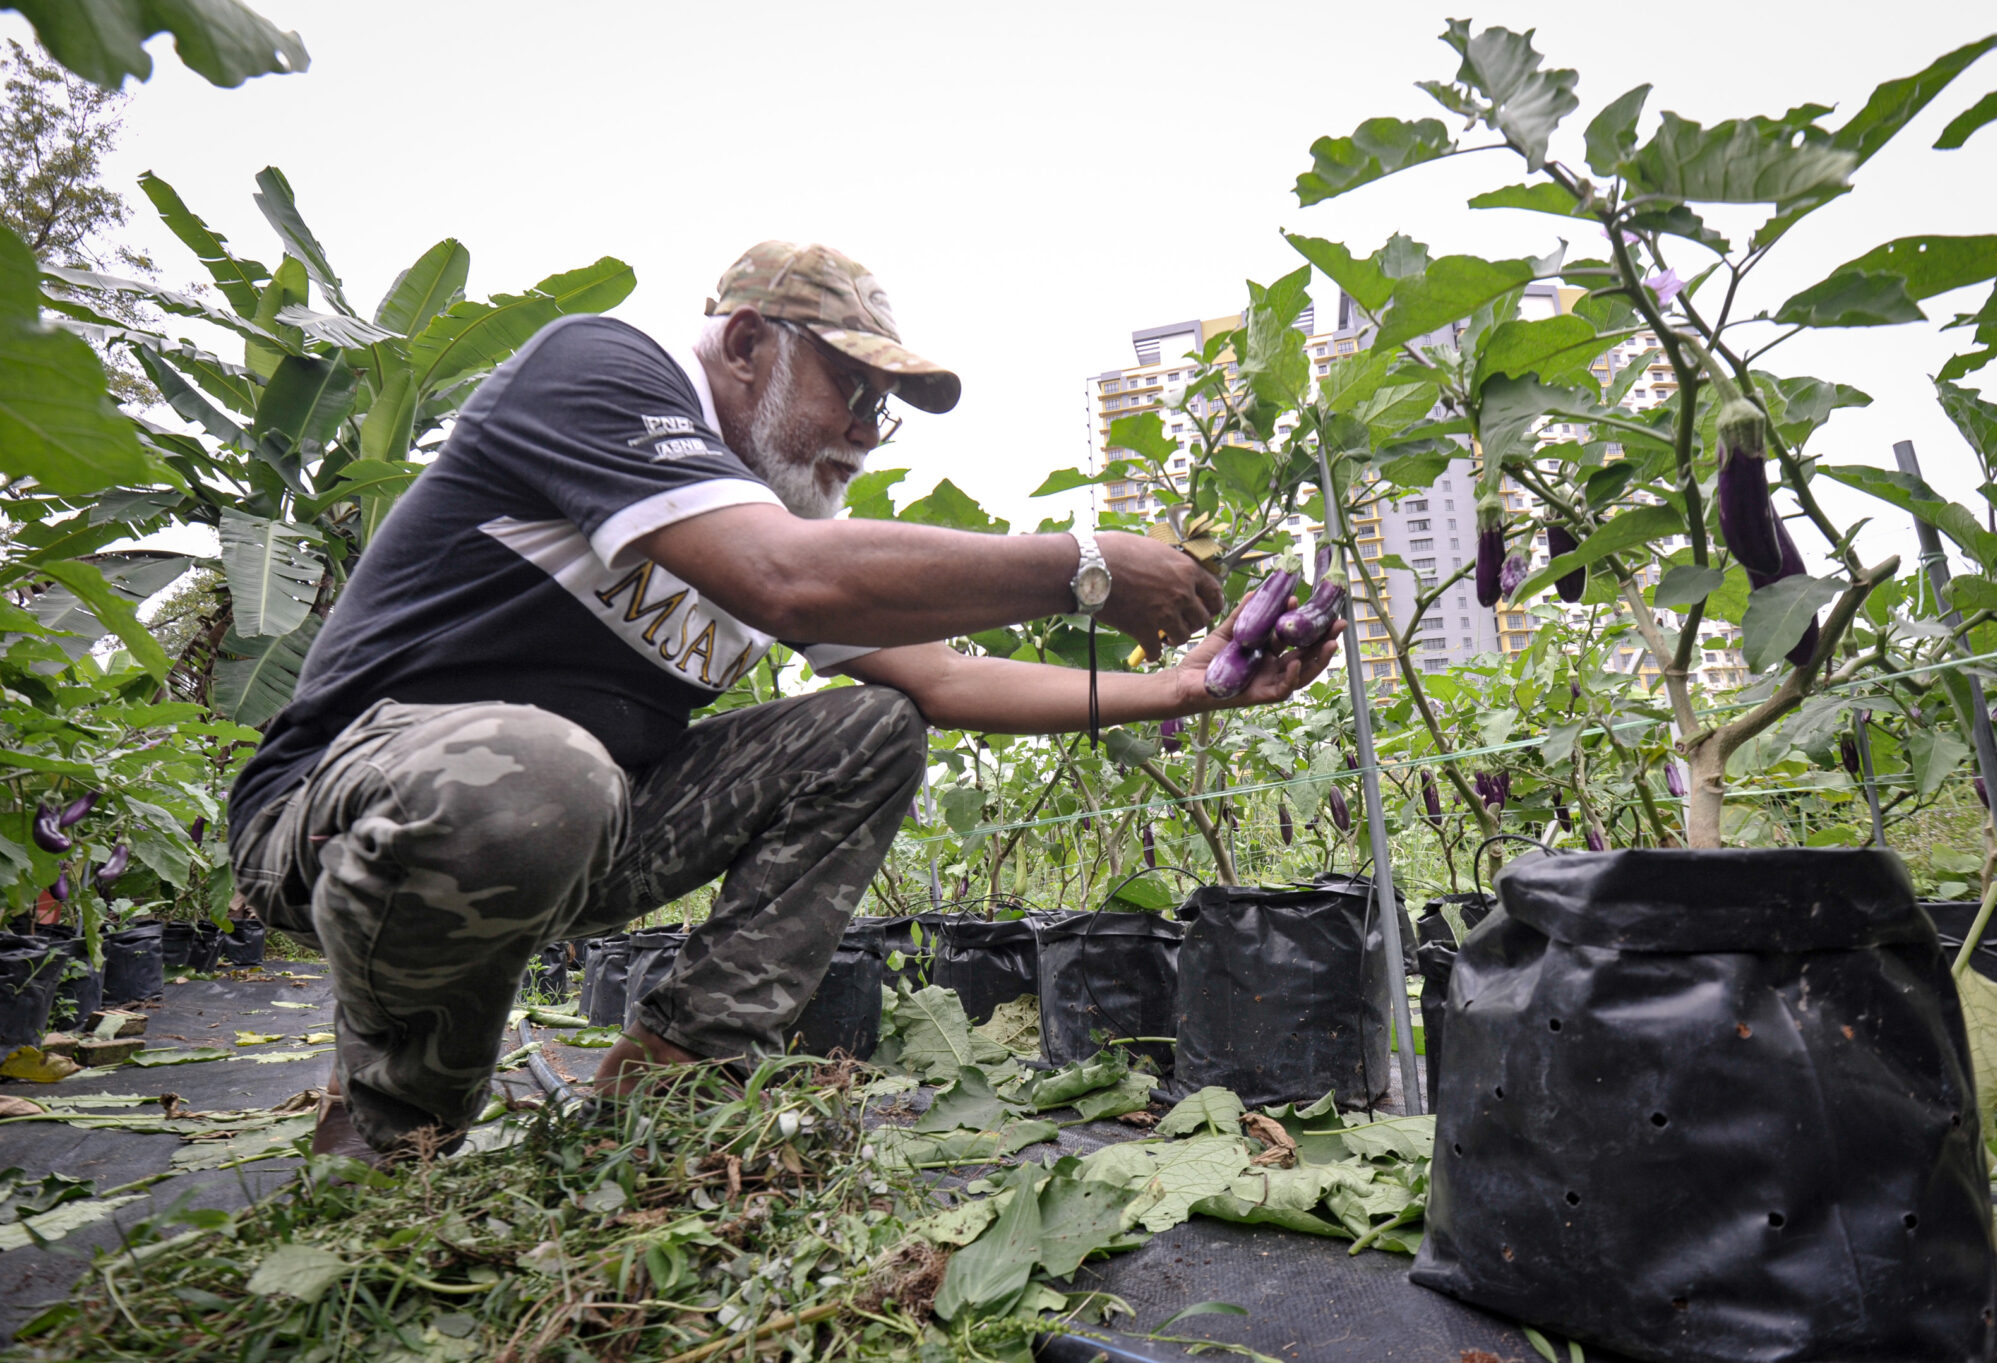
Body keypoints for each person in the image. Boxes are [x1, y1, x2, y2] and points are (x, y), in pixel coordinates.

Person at [227, 241, 1340, 1161]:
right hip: (342, 815)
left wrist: (1184, 687)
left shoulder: (757, 512)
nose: (864, 429)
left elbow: (945, 679)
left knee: (871, 728)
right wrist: (1081, 562)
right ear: (747, 344)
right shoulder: (599, 368)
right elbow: (785, 578)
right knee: (544, 777)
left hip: (574, 825)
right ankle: (394, 1124)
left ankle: (666, 1090)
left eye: (883, 409)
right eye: (850, 389)